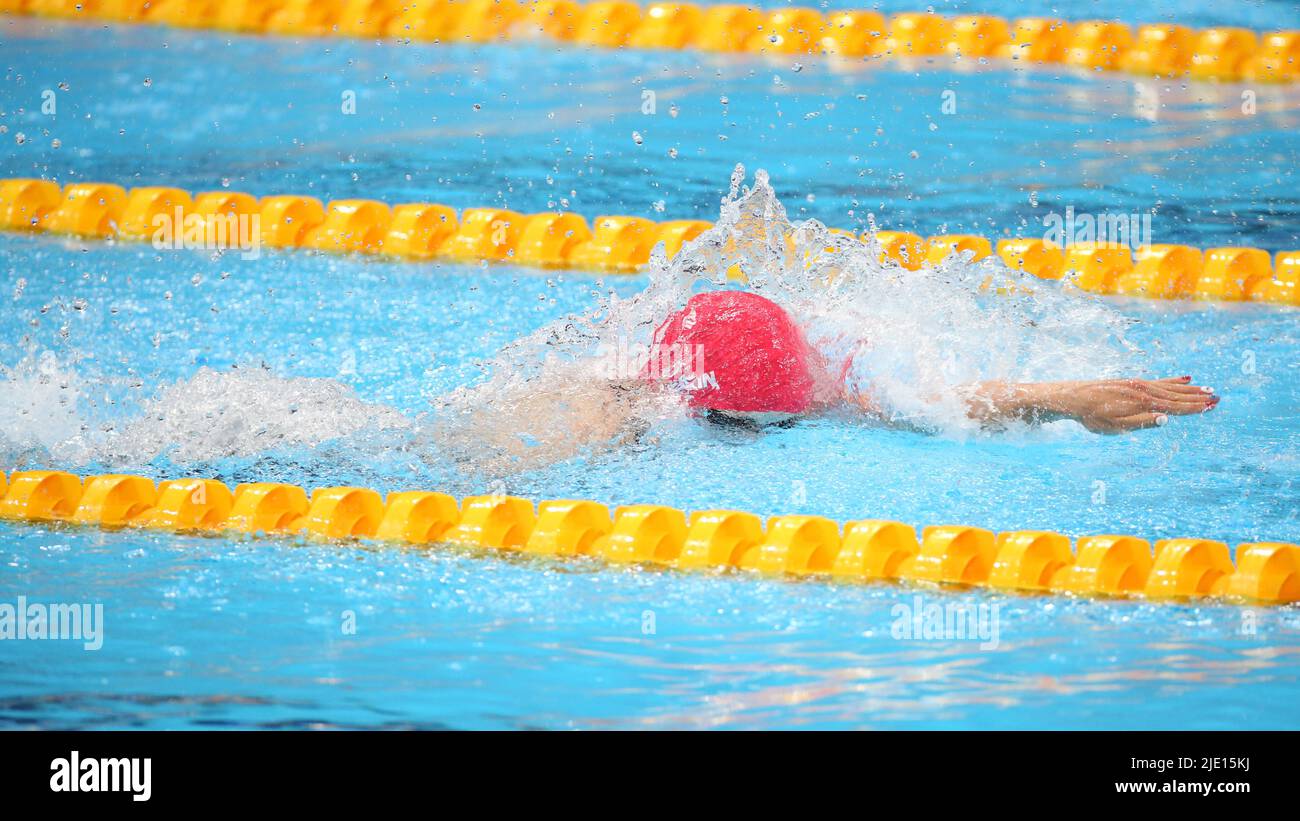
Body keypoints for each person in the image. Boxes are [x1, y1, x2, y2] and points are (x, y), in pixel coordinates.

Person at [647, 290, 1219, 434]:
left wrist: (1062, 399)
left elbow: (935, 405)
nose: (747, 436)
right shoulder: (651, 382)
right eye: (729, 421)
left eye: (773, 424)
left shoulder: (853, 367)